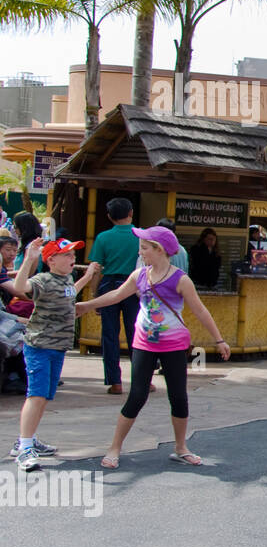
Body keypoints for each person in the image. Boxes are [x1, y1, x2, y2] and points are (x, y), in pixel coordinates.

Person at [76, 226, 231, 468]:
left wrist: (219, 340)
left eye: (145, 248)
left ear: (159, 250)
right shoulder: (139, 275)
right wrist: (87, 305)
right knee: (137, 396)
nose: (141, 253)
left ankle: (181, 448)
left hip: (174, 345)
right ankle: (114, 448)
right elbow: (116, 295)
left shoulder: (181, 279)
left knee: (178, 396)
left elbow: (200, 310)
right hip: (143, 343)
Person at [11, 237, 100, 470]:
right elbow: (20, 289)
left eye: (73, 254)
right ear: (51, 260)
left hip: (57, 348)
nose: (73, 258)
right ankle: (24, 446)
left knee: (44, 396)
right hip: (40, 347)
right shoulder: (42, 280)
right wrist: (29, 259)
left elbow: (71, 292)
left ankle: (27, 438)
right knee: (37, 395)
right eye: (67, 255)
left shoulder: (66, 279)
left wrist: (88, 277)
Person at [89, 197, 142, 394]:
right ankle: (142, 379)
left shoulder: (103, 238)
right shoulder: (141, 235)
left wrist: (96, 296)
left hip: (109, 285)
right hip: (134, 287)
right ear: (131, 213)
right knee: (136, 334)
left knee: (109, 334)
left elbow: (96, 269)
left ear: (110, 217)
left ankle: (115, 382)